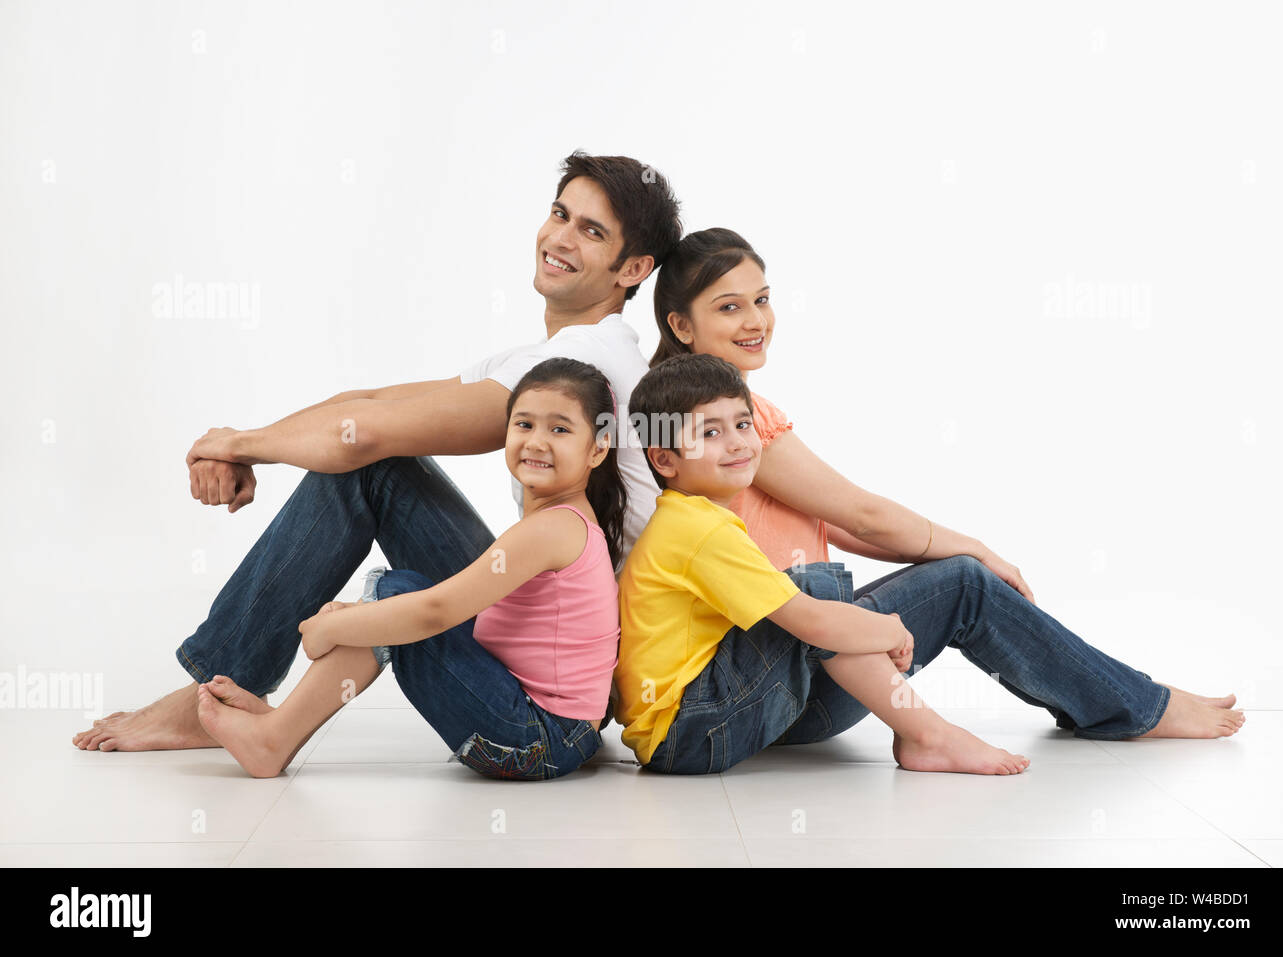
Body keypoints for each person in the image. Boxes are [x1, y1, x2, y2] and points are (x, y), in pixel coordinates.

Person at [73, 151, 681, 752]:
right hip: (548, 636)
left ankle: (214, 692)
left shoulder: (582, 362)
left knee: (370, 468)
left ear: (632, 269)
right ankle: (225, 689)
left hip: (573, 677)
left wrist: (237, 445)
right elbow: (369, 402)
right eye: (560, 214)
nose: (561, 237)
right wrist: (244, 446)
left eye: (592, 231)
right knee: (377, 462)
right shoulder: (560, 351)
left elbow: (363, 434)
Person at [642, 227, 1244, 746]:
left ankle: (1120, 699)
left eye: (762, 300)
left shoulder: (681, 409)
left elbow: (842, 525)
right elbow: (864, 514)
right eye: (729, 308)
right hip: (779, 681)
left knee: (959, 579)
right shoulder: (719, 420)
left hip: (783, 672)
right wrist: (975, 550)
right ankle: (1138, 707)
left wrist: (953, 552)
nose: (755, 321)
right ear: (680, 324)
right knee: (966, 586)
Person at [195, 359, 622, 780]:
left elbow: (436, 611)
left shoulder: (553, 528)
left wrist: (332, 628)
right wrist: (357, 618)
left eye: (560, 429)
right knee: (389, 605)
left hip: (537, 741)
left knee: (397, 595)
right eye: (524, 425)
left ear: (598, 448)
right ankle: (282, 722)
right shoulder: (561, 522)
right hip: (557, 736)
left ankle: (273, 739)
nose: (536, 442)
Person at [617, 353, 1031, 774]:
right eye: (710, 432)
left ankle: (923, 734)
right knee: (811, 590)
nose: (738, 442)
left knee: (810, 595)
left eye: (743, 424)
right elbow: (811, 622)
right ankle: (930, 736)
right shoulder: (698, 530)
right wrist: (888, 628)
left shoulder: (692, 519)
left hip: (693, 726)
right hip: (688, 732)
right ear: (664, 459)